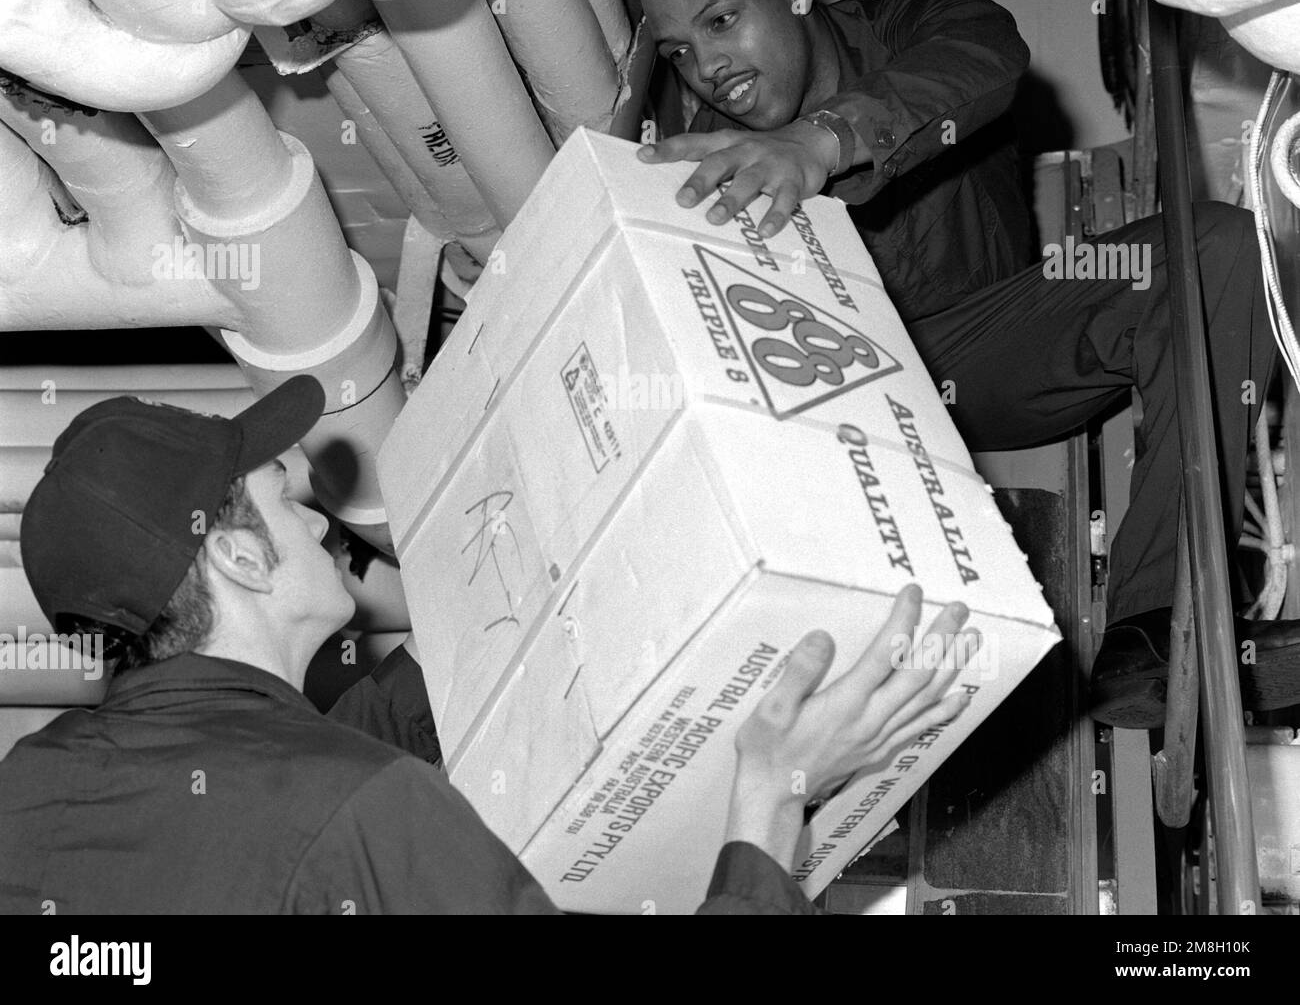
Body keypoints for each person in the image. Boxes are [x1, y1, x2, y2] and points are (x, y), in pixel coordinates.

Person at [635, 0, 1300, 728]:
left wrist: (823, 143)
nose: (708, 66)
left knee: (1220, 247)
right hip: (848, 410)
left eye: (722, 20)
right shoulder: (708, 165)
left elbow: (983, 54)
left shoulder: (921, 22)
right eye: (680, 52)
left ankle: (1152, 638)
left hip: (986, 346)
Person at [0, 376, 974, 914]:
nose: (308, 497)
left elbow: (283, 796)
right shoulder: (365, 812)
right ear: (243, 559)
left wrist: (488, 615)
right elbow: (327, 815)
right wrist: (778, 788)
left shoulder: (31, 789)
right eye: (281, 495)